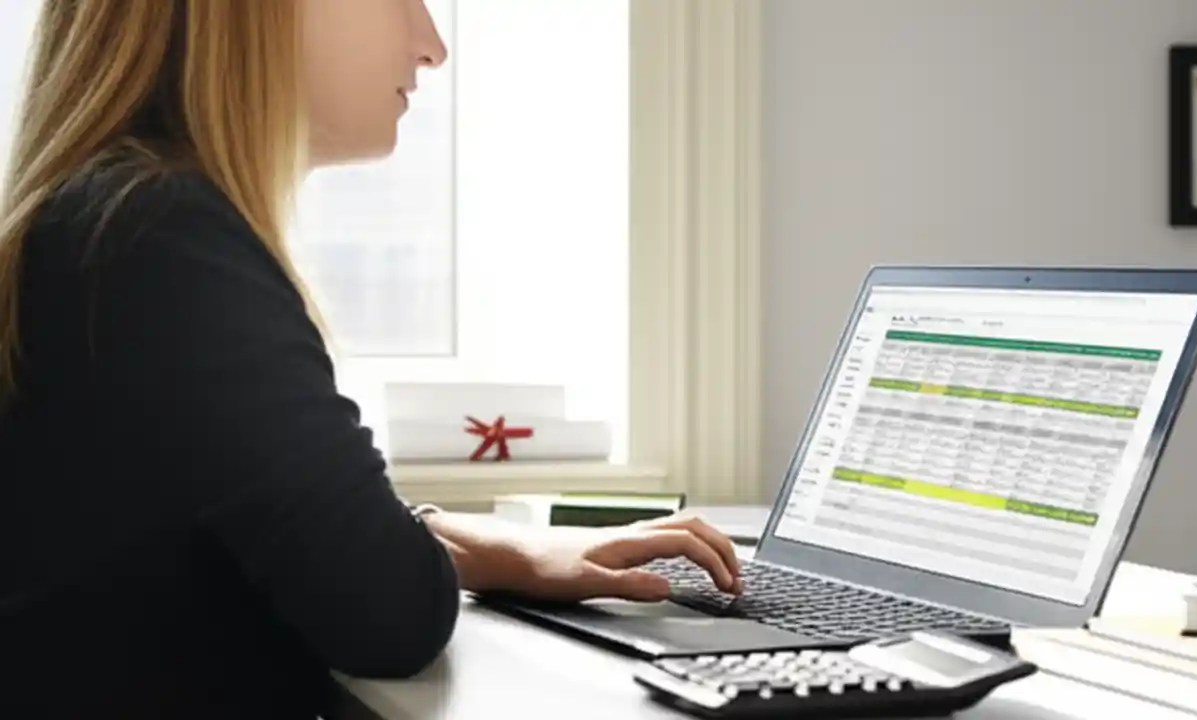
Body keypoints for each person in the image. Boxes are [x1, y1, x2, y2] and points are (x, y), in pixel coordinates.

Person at [0, 2, 742, 717]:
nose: (430, 43)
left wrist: (473, 545)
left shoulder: (101, 220)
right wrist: (427, 555)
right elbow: (387, 616)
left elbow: (288, 541)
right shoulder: (163, 239)